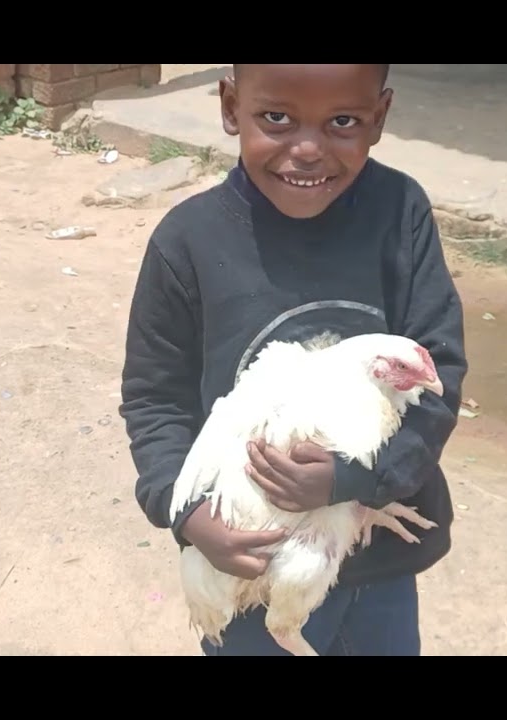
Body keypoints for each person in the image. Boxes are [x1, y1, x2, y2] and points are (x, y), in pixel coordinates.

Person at [118, 64, 469, 656]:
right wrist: (190, 517)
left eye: (343, 121)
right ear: (231, 107)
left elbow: (440, 374)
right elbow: (155, 399)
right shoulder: (187, 242)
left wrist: (356, 479)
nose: (307, 149)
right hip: (247, 564)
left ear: (378, 118)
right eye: (276, 118)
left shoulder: (400, 213)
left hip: (375, 567)